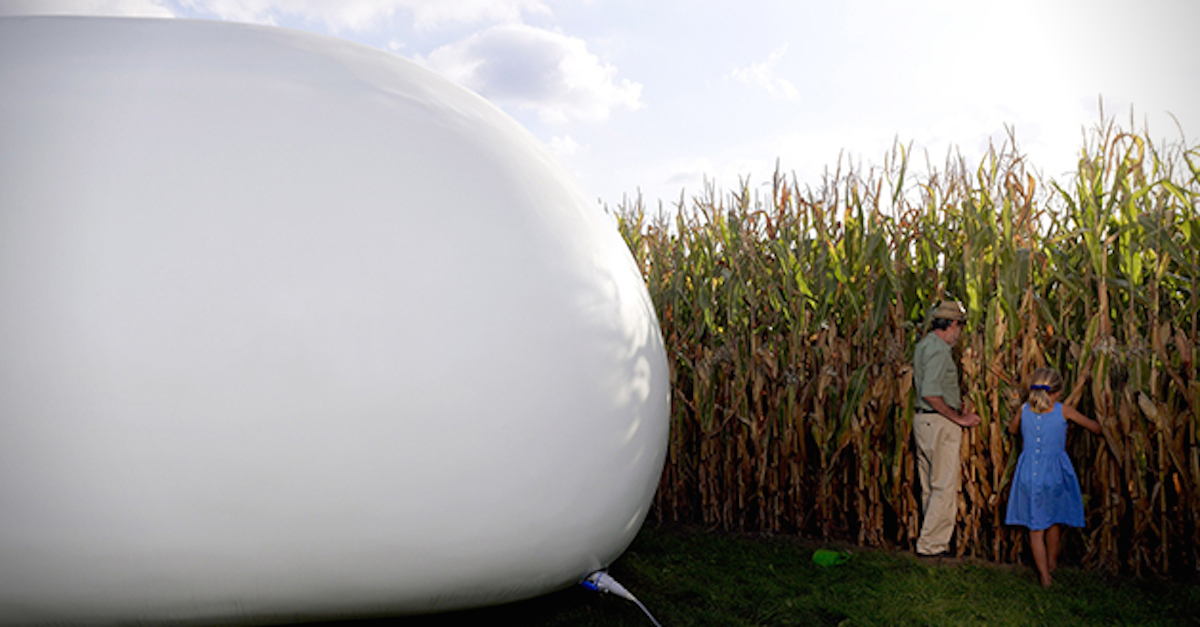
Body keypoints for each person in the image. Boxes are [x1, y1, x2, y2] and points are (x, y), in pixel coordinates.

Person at [1005, 367, 1101, 587]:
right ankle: (1051, 566)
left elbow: (1012, 430)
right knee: (1053, 521)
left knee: (1036, 529)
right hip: (1055, 474)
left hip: (1029, 473)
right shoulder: (1063, 411)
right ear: (1056, 393)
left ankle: (1045, 576)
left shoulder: (1024, 410)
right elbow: (1094, 427)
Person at [912, 300, 980, 557]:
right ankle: (932, 547)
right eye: (960, 327)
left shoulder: (924, 346)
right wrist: (959, 417)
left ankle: (929, 541)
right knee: (944, 486)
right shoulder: (939, 350)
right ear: (952, 324)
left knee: (930, 485)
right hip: (939, 423)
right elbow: (931, 393)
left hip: (924, 421)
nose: (959, 334)